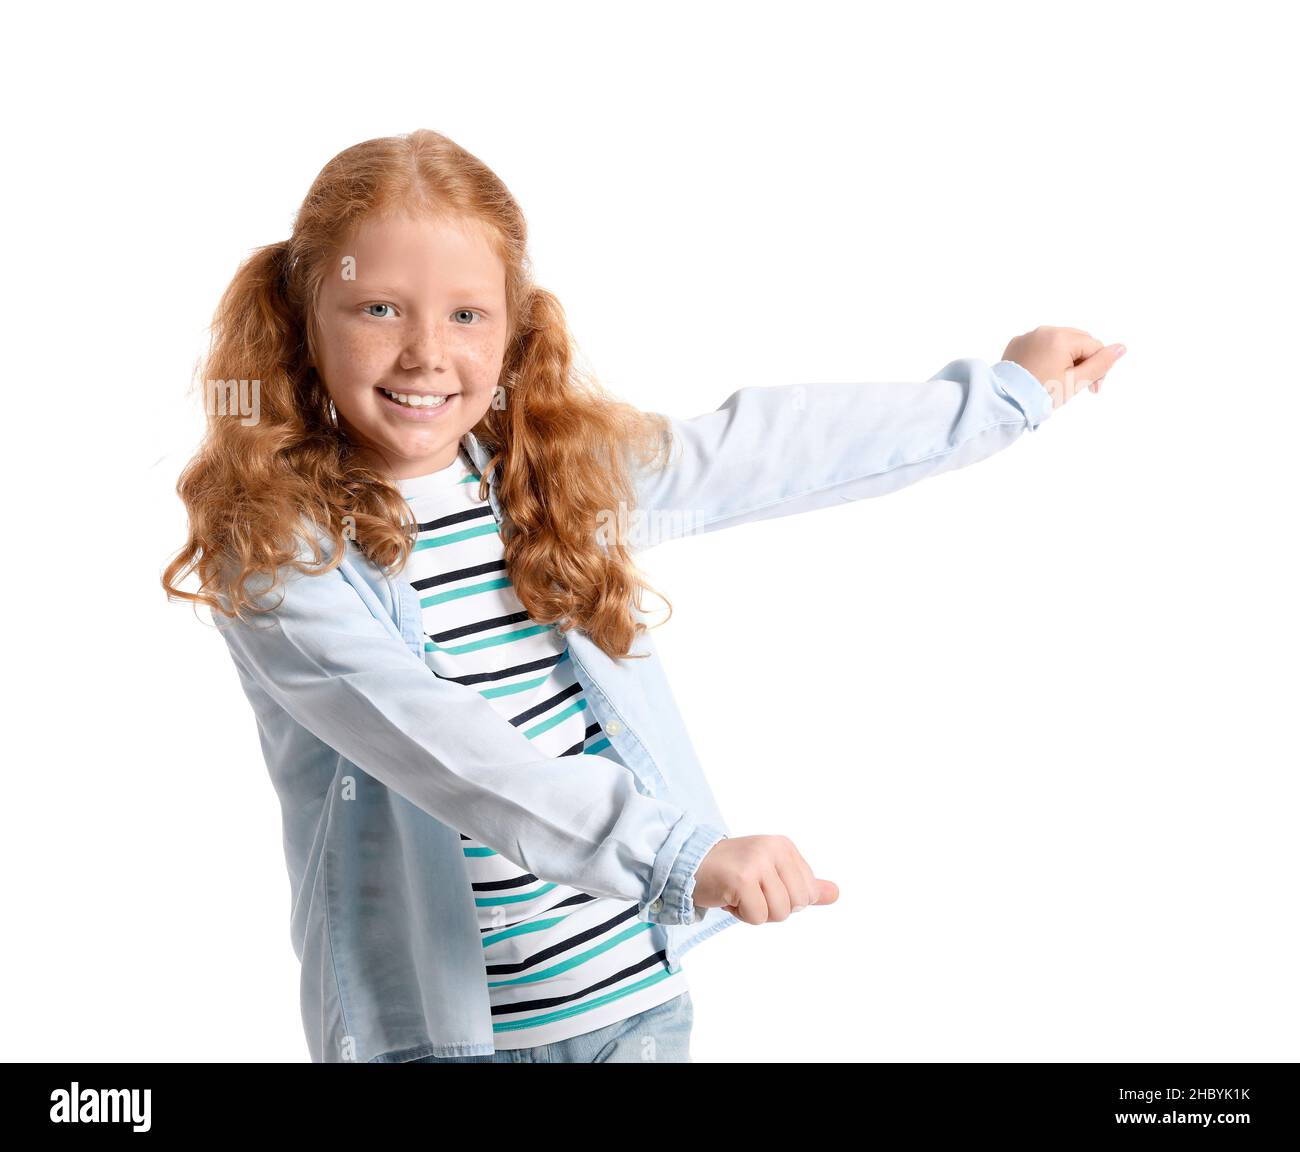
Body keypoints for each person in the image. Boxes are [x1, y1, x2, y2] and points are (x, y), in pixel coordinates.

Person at [162, 129, 1126, 1063]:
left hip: (634, 1005)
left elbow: (764, 448)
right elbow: (446, 744)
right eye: (378, 309)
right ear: (302, 320)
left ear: (515, 327)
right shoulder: (279, 555)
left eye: (466, 314)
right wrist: (676, 855)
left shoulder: (547, 476)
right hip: (441, 1035)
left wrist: (1003, 398)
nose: (425, 353)